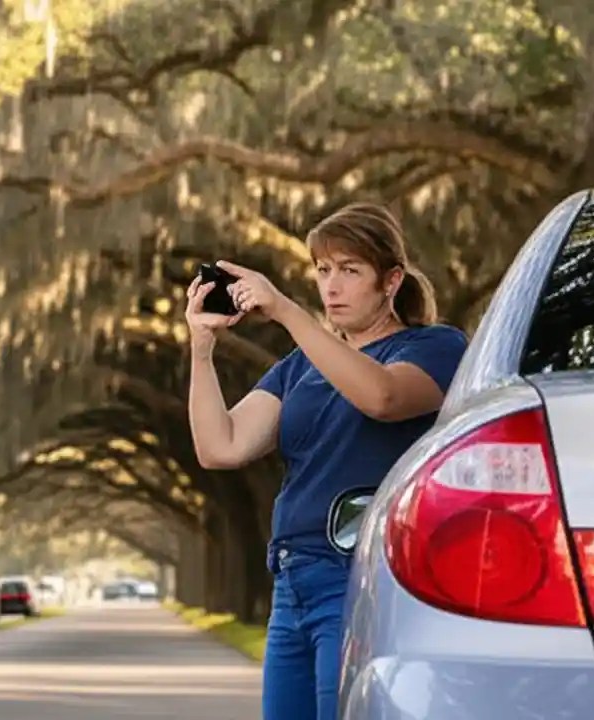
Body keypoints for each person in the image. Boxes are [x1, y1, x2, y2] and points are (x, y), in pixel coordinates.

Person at [184, 203, 468, 720]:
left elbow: (381, 397)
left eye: (350, 270)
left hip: (362, 579)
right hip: (293, 583)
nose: (331, 286)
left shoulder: (436, 347)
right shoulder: (299, 367)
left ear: (391, 280)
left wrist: (288, 312)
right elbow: (220, 447)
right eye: (323, 271)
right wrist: (201, 350)